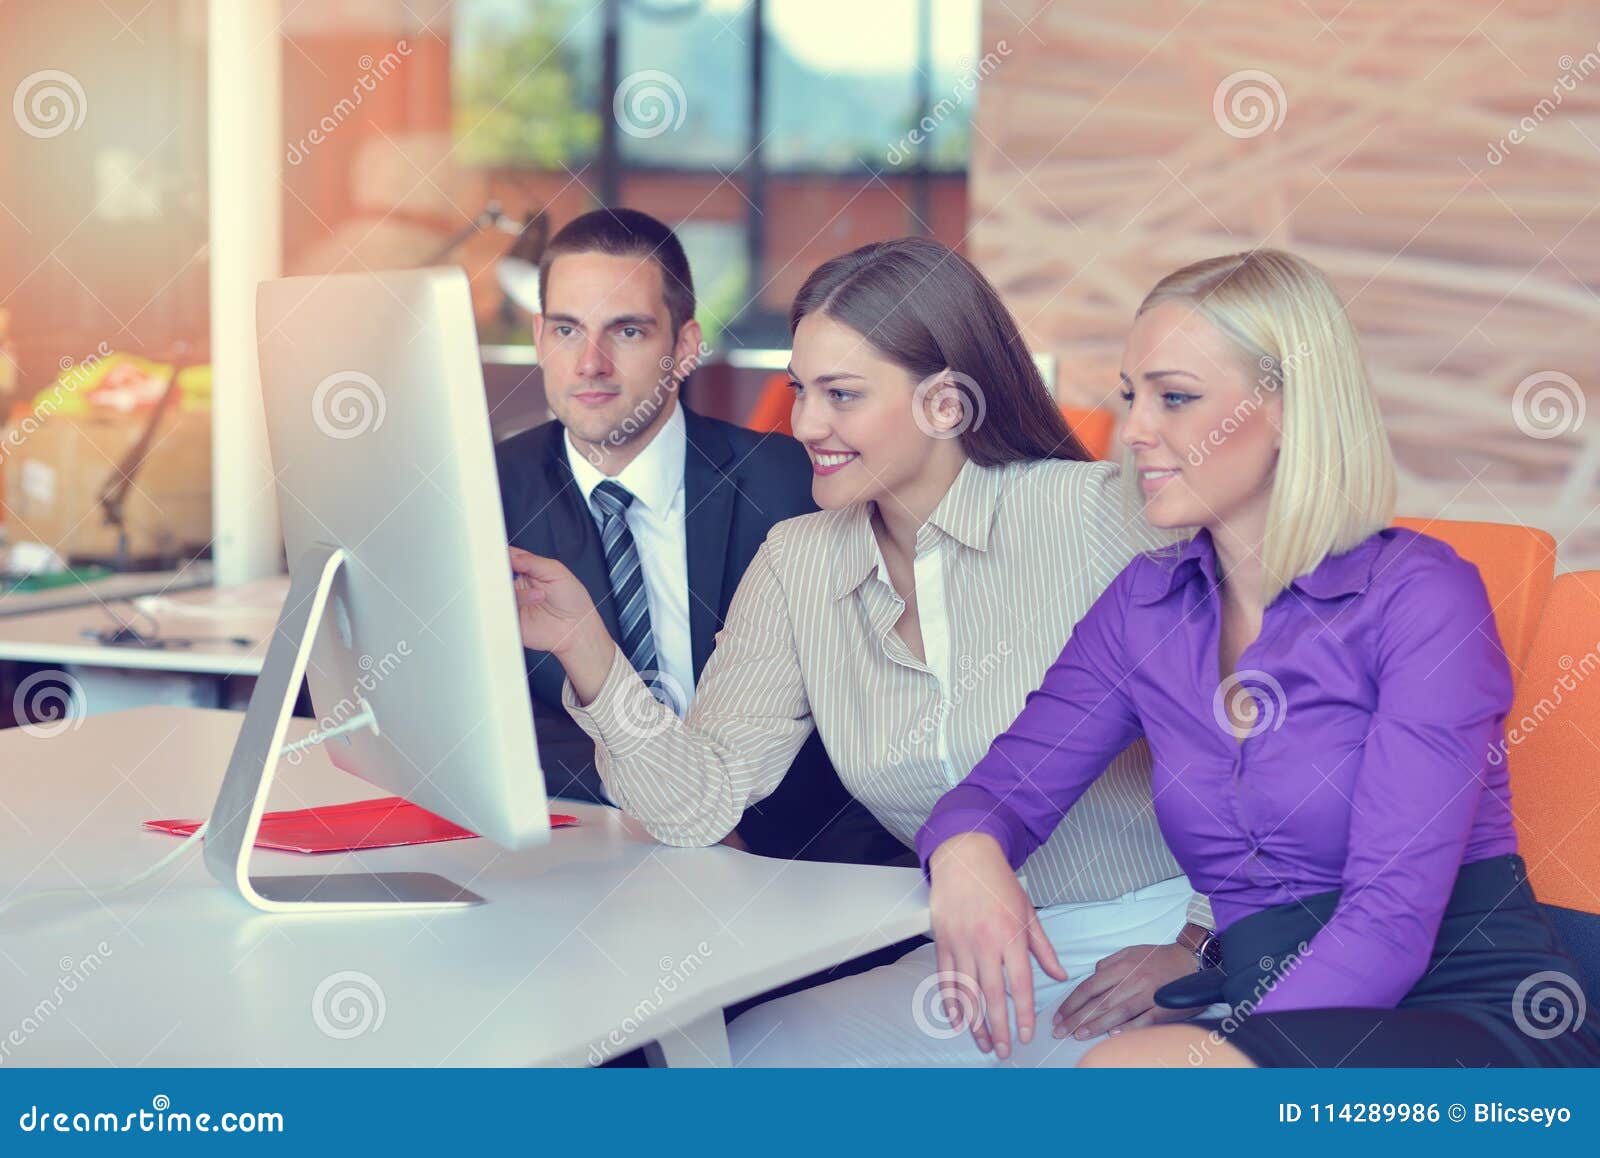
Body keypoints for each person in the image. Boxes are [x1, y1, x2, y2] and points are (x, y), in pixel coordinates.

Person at [510, 235, 1226, 1067]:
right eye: (799, 391)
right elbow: (699, 804)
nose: (804, 424)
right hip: (956, 958)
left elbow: (1262, 738)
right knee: (752, 1060)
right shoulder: (798, 560)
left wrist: (1203, 945)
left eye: (841, 395)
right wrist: (585, 646)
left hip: (1145, 940)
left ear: (947, 406)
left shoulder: (1101, 517)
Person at [921, 248, 1600, 1067]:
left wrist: (1217, 1052)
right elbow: (1002, 794)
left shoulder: (1421, 596)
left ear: (1285, 410)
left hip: (1473, 1021)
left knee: (1129, 1075)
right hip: (1269, 1009)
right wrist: (964, 853)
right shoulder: (1144, 606)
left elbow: (1387, 923)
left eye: (1176, 397)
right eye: (1133, 396)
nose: (1134, 430)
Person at [495, 206, 900, 865]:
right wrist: (675, 808)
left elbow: (864, 729)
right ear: (540, 337)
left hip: (793, 868)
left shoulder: (801, 485)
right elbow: (487, 729)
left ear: (685, 347)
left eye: (626, 330)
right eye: (567, 330)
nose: (590, 363)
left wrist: (763, 862)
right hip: (584, 854)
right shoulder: (482, 497)